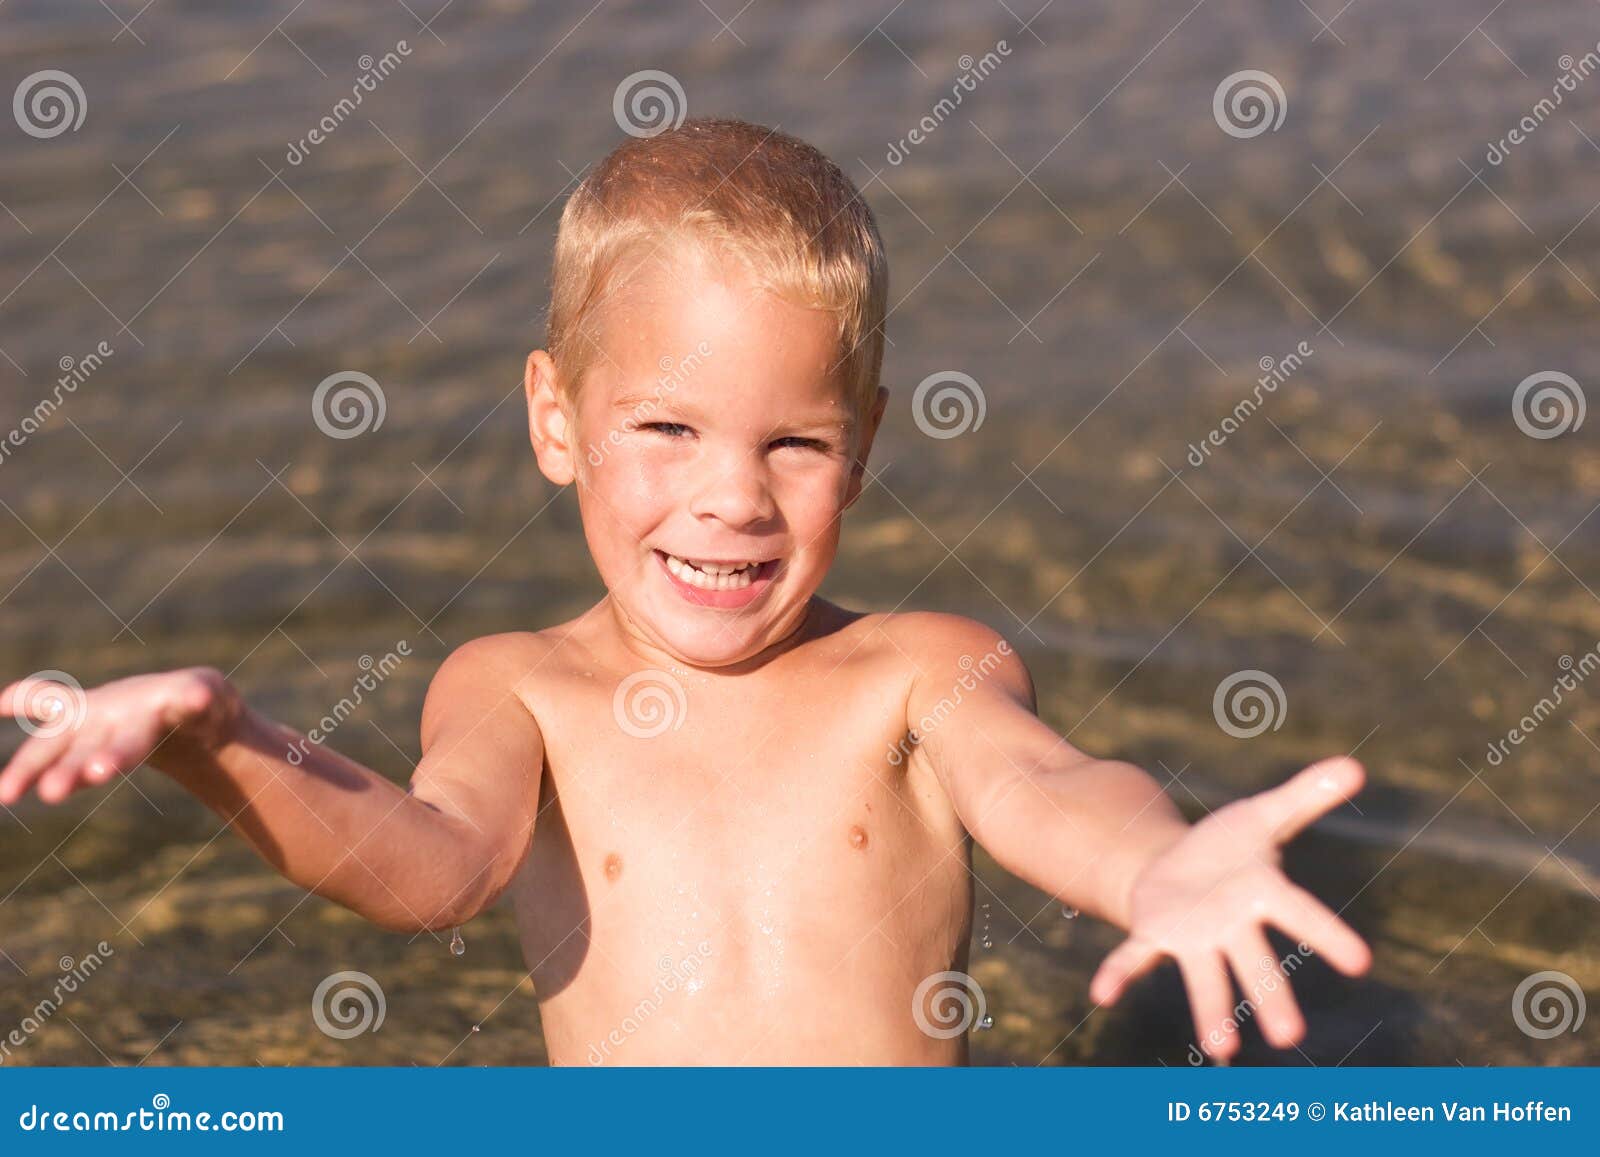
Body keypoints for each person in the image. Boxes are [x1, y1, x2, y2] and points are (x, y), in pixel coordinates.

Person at [0, 117, 1369, 1065]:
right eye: (667, 430)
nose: (733, 497)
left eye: (795, 443)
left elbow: (1042, 786)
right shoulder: (517, 689)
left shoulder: (915, 670)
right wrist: (216, 736)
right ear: (555, 418)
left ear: (867, 443)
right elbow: (426, 869)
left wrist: (1155, 862)